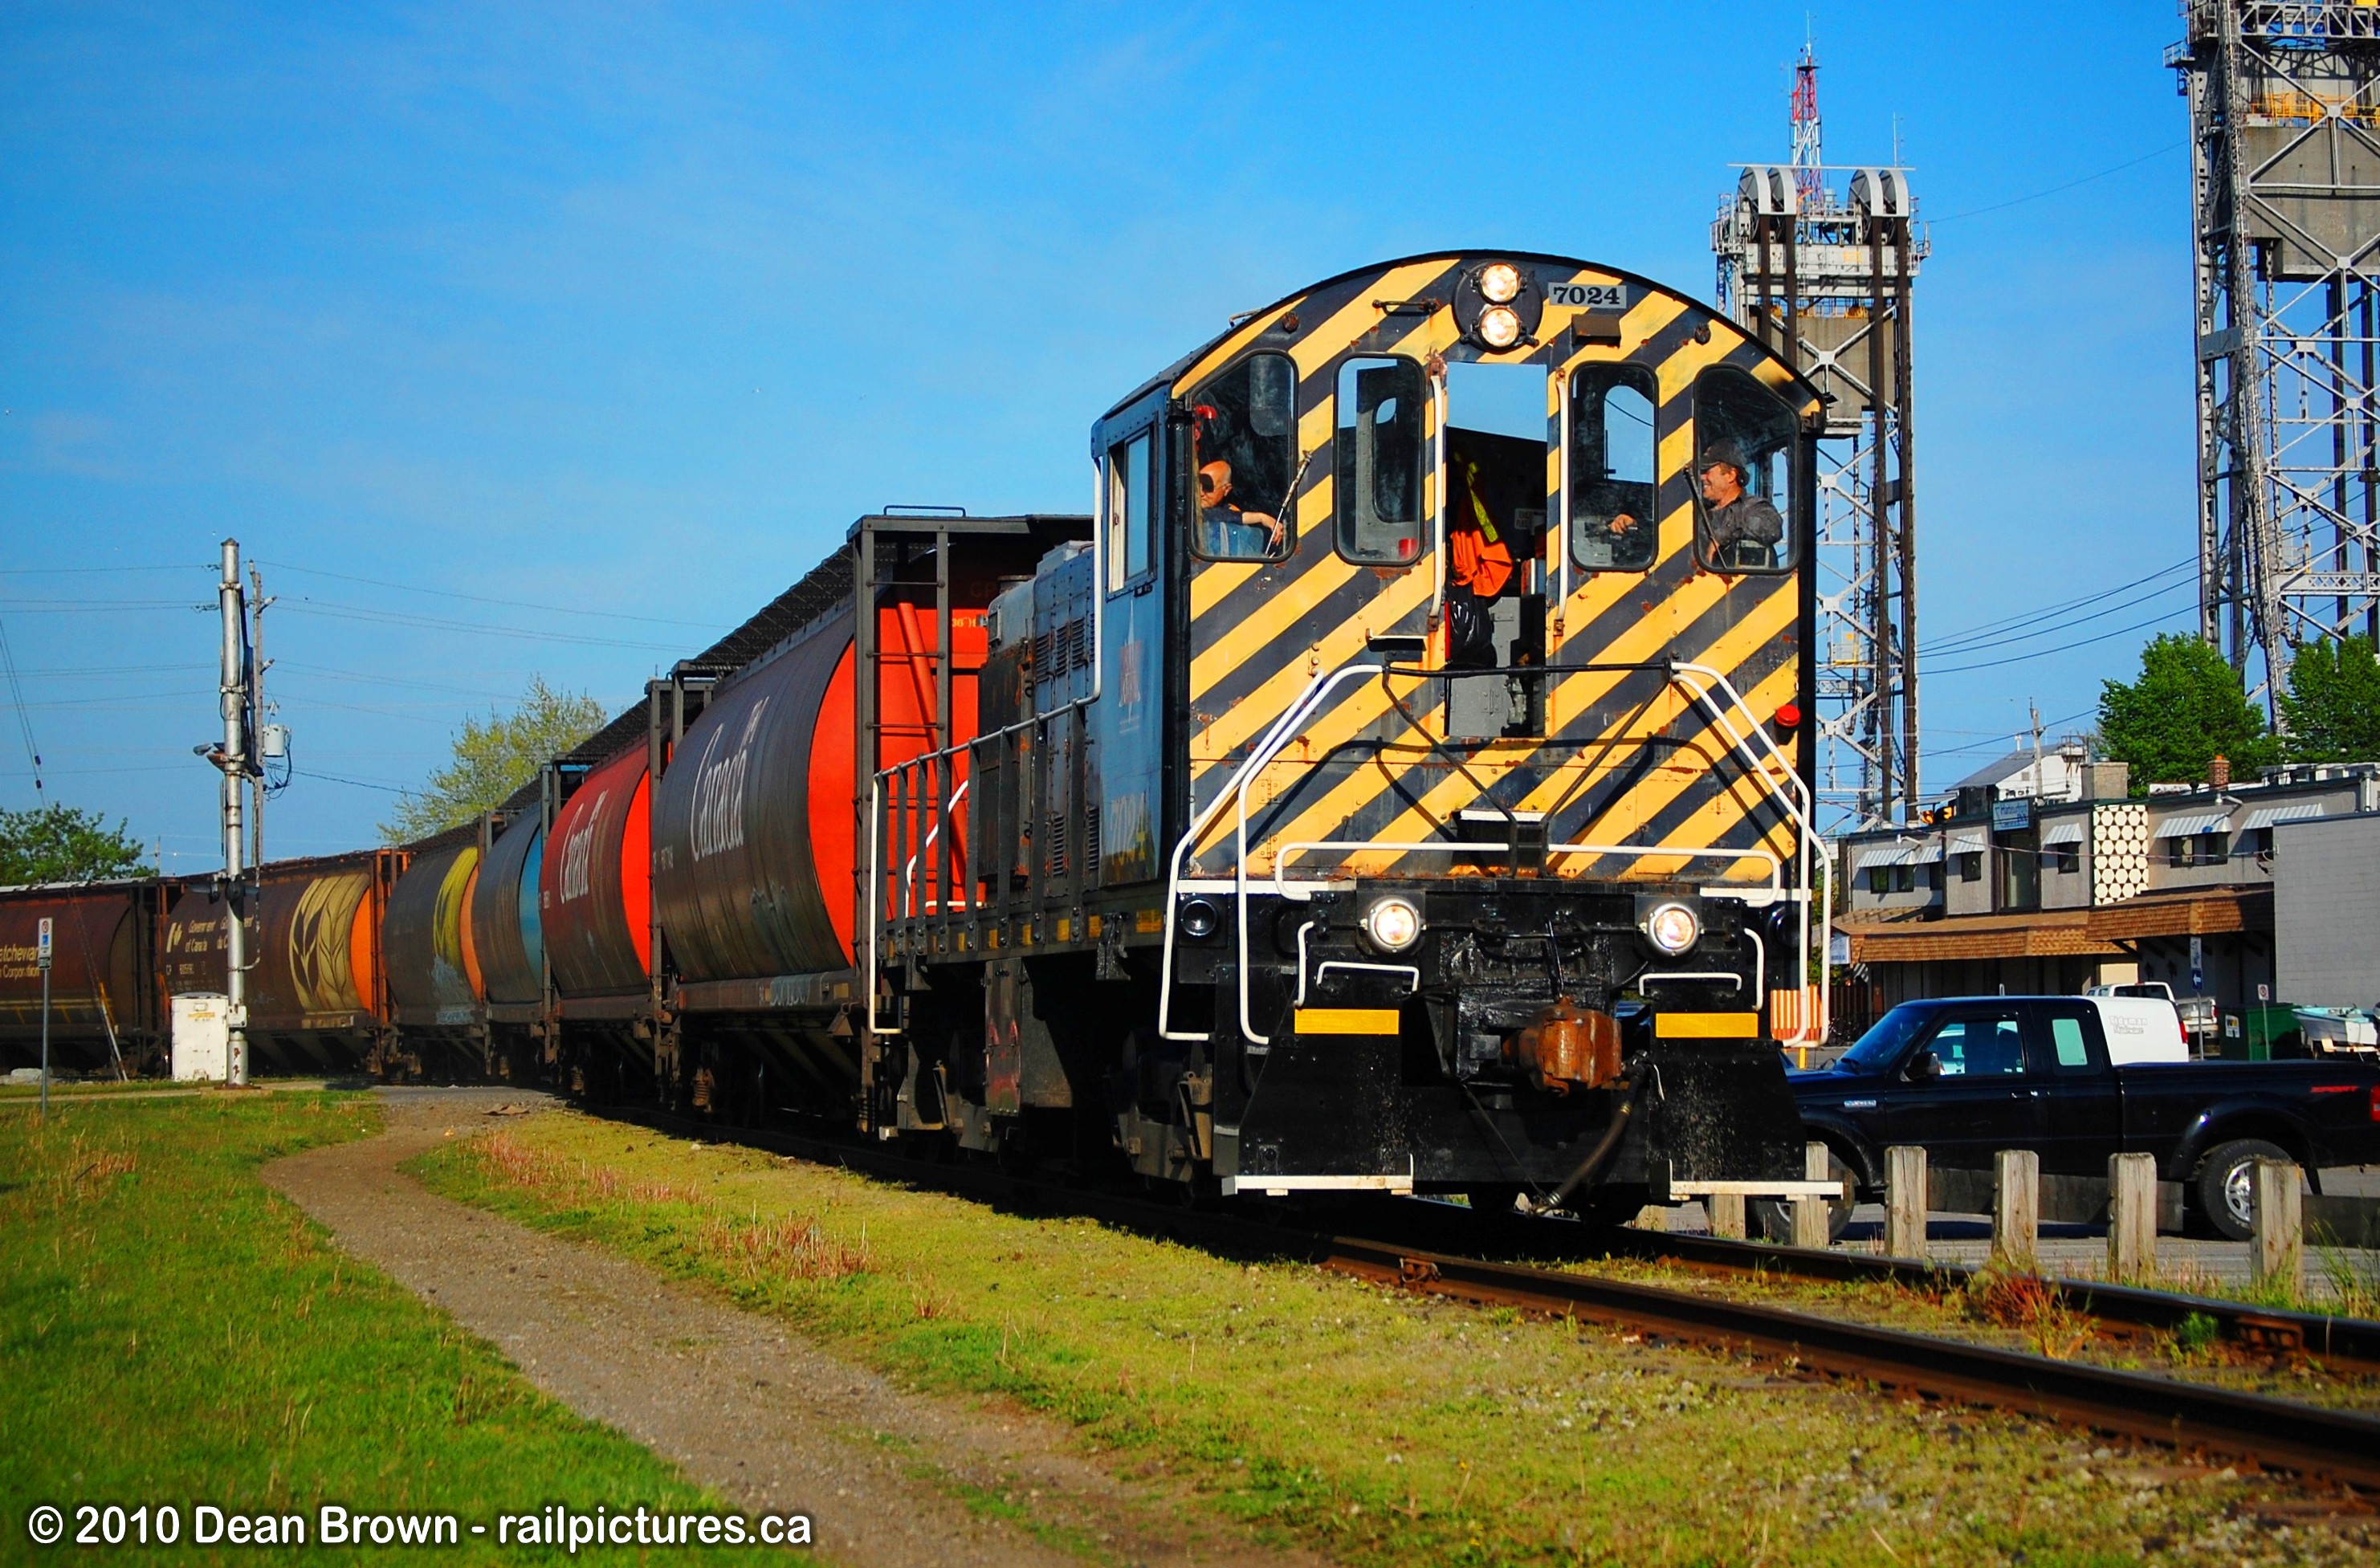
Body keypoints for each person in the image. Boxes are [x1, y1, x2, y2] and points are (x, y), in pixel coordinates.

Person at [1697, 438, 1783, 564]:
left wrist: (1722, 537)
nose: (1701, 477)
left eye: (1707, 472)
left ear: (1730, 475)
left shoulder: (1755, 507)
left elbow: (1770, 528)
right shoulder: (1697, 513)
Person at [1197, 460, 1283, 558]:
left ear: (1227, 489)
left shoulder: (1230, 512)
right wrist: (1261, 517)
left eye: (1208, 488)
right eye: (1198, 486)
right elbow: (1215, 515)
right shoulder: (1192, 510)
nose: (1201, 493)